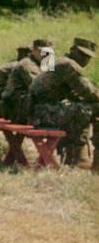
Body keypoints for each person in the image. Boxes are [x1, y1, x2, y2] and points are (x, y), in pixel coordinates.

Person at [29, 38, 99, 166]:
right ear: (72, 50)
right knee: (91, 109)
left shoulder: (60, 62)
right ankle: (81, 158)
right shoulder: (68, 65)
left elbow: (76, 95)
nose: (85, 59)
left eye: (88, 57)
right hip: (43, 115)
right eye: (82, 54)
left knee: (83, 109)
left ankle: (76, 156)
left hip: (39, 112)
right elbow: (90, 93)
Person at [0, 40, 50, 126]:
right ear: (34, 50)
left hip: (19, 107)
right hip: (14, 109)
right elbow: (39, 87)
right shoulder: (27, 64)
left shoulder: (39, 64)